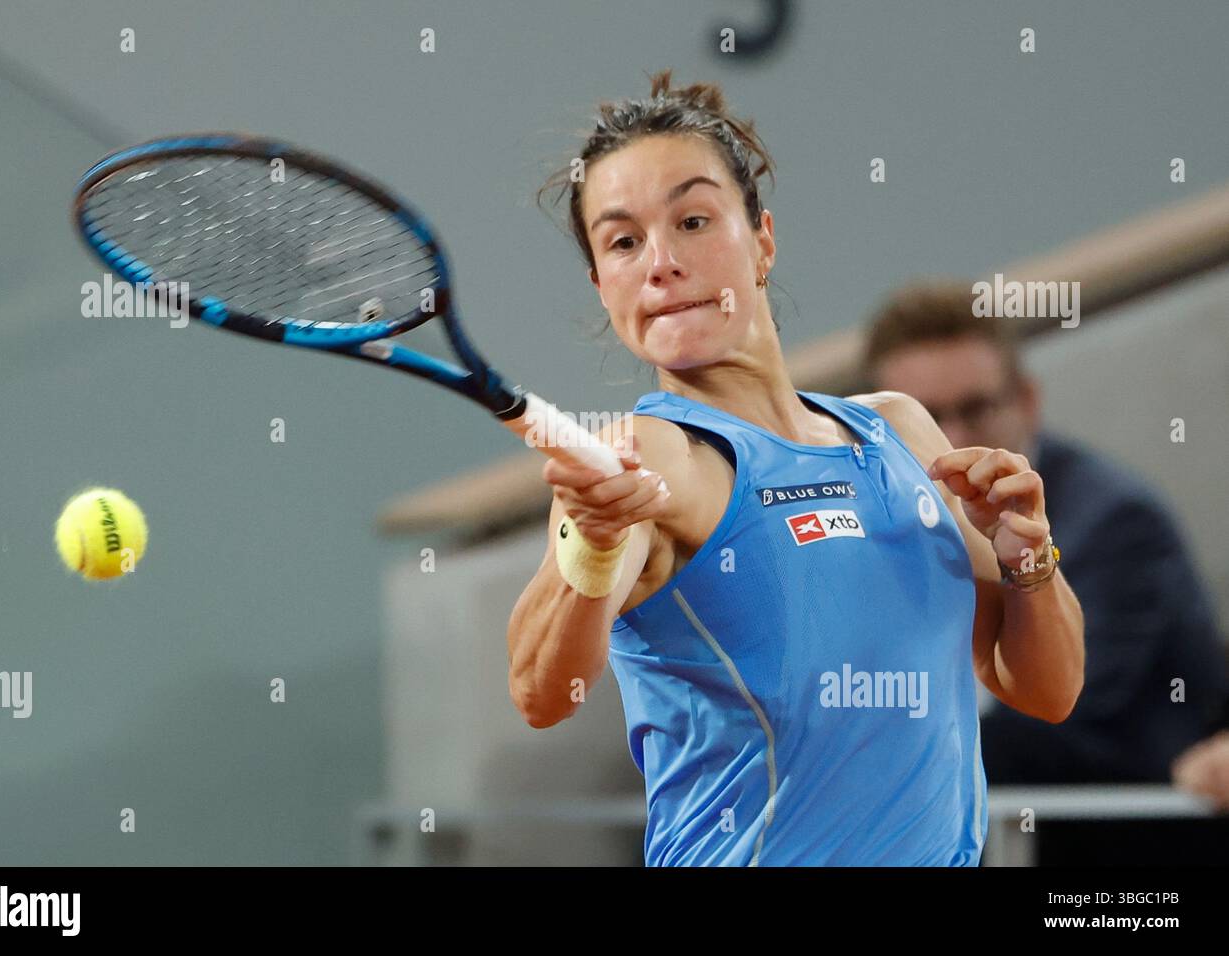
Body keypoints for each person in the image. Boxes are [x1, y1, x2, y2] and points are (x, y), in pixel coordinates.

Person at [506, 72, 1084, 866]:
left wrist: (1030, 562)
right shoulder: (657, 454)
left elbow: (1046, 690)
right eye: (624, 241)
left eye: (694, 219)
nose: (662, 262)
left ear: (763, 240)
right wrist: (593, 544)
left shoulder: (900, 430)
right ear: (604, 285)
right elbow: (540, 692)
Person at [861, 281, 1229, 788]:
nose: (954, 439)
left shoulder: (1117, 522)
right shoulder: (873, 519)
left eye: (975, 410)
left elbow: (1051, 718)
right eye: (923, 419)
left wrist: (851, 749)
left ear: (1027, 401)